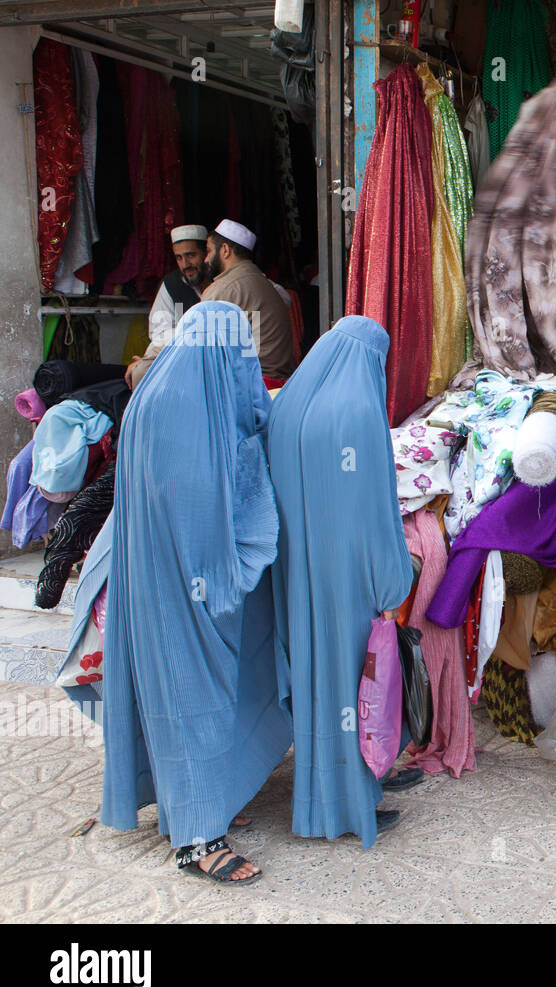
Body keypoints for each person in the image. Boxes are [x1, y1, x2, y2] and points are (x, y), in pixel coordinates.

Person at [99, 300, 291, 885]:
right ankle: (197, 839)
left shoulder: (153, 397)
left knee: (170, 693)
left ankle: (192, 808)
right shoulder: (194, 412)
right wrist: (227, 579)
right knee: (197, 698)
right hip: (193, 584)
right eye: (241, 357)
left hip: (151, 581)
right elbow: (216, 510)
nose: (245, 370)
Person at [267, 315, 412, 848]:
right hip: (346, 581)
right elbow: (375, 511)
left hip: (297, 575)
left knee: (315, 683)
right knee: (353, 687)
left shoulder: (289, 407)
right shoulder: (357, 412)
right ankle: (347, 806)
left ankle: (315, 799)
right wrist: (391, 584)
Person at [201, 219, 296, 380]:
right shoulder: (265, 284)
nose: (205, 259)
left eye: (209, 251)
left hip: (252, 385)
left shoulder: (224, 288)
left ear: (225, 250)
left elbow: (198, 346)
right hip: (274, 383)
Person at [126, 225, 211, 390]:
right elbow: (160, 333)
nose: (185, 264)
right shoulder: (172, 285)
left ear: (206, 254)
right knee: (141, 372)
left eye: (191, 255)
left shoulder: (225, 284)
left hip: (218, 361)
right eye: (179, 258)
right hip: (180, 360)